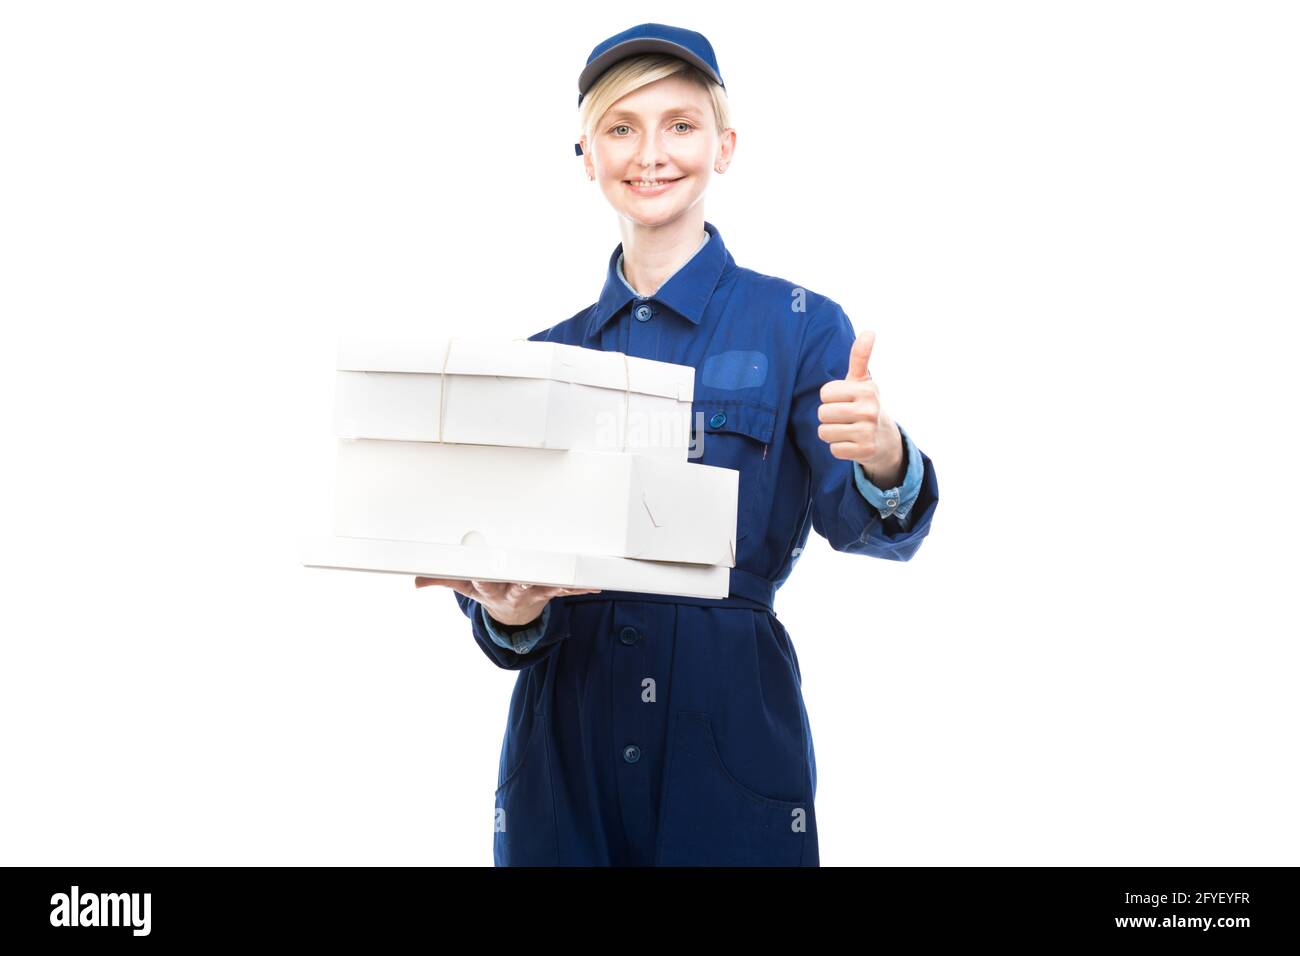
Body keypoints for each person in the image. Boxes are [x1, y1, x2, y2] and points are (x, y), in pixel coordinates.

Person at [416, 22, 939, 866]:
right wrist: (505, 612)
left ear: (724, 146)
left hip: (727, 732)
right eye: (621, 127)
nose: (650, 152)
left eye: (681, 124)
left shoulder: (799, 327)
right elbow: (501, 586)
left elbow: (871, 528)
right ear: (585, 153)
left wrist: (882, 454)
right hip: (565, 747)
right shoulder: (539, 359)